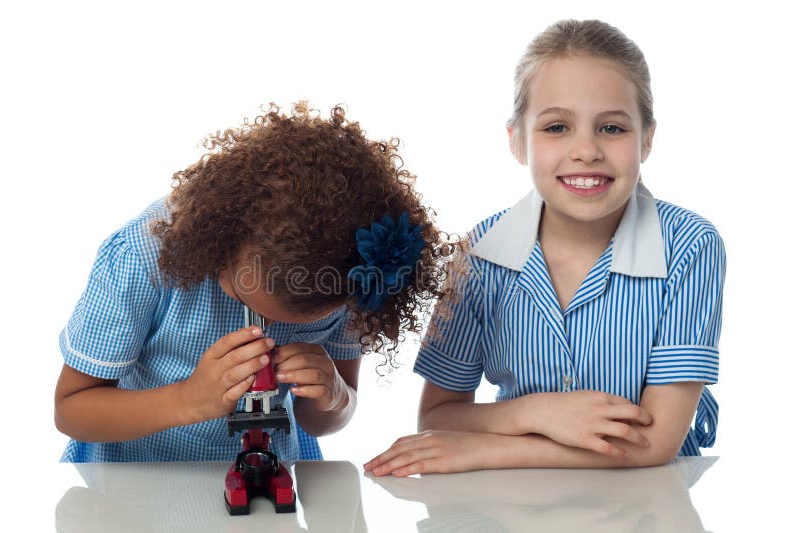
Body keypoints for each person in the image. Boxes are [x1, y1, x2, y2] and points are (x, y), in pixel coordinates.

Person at [365, 19, 726, 476]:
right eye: (557, 126)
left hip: (650, 502)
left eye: (612, 128)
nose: (586, 150)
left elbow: (655, 443)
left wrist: (488, 449)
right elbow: (437, 417)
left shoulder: (691, 246)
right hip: (519, 506)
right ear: (517, 141)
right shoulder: (480, 255)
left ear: (647, 139)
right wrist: (536, 413)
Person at [54, 102, 455, 462]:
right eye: (243, 294)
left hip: (266, 465)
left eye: (289, 322)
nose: (259, 328)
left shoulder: (352, 275)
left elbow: (326, 419)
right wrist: (188, 400)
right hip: (131, 479)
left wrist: (333, 394)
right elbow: (70, 410)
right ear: (223, 234)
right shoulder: (145, 256)